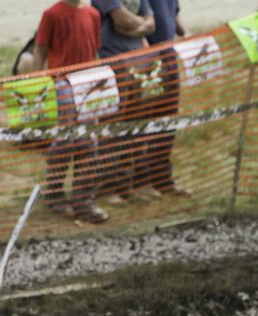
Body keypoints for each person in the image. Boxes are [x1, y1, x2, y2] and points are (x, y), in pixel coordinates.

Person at [35, 0, 109, 224]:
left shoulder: (93, 14)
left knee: (88, 140)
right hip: (63, 83)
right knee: (69, 138)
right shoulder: (52, 14)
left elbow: (94, 52)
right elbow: (40, 50)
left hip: (87, 84)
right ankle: (57, 193)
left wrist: (99, 82)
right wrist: (35, 85)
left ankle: (82, 199)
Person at [94, 0, 157, 200]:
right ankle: (107, 188)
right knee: (112, 129)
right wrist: (141, 25)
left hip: (139, 63)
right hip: (113, 64)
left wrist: (136, 27)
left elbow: (151, 25)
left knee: (136, 126)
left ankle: (128, 184)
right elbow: (121, 19)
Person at [135, 0, 188, 196]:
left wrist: (188, 35)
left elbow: (176, 20)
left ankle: (162, 178)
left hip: (170, 57)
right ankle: (141, 180)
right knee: (145, 121)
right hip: (148, 62)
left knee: (168, 121)